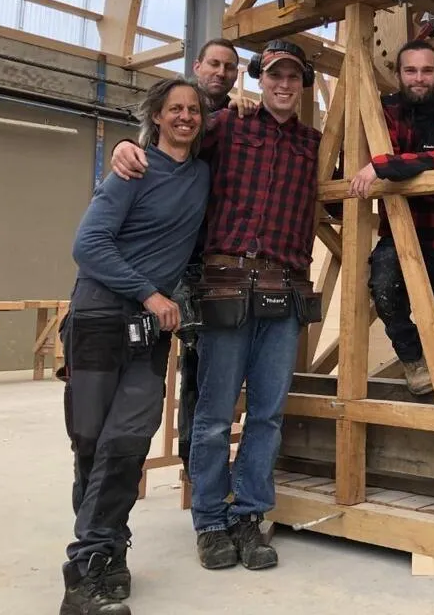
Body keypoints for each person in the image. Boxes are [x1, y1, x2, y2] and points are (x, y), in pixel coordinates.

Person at [111, 41, 321, 572]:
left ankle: (250, 516)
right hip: (226, 288)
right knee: (210, 416)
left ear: (303, 85)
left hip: (285, 289)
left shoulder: (315, 144)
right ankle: (209, 519)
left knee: (267, 415)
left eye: (293, 78)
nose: (283, 85)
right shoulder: (225, 128)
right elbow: (169, 148)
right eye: (274, 75)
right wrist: (126, 147)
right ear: (260, 78)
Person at [60, 78, 210, 615]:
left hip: (148, 331)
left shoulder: (201, 175)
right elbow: (88, 245)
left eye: (193, 109)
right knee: (90, 443)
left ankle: (92, 563)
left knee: (126, 442)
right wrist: (149, 292)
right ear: (158, 116)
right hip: (100, 318)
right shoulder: (133, 168)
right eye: (175, 109)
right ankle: (101, 557)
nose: (185, 117)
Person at [347, 40, 434, 395]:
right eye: (411, 71)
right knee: (384, 287)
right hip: (399, 231)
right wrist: (426, 172)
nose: (419, 78)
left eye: (427, 71)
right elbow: (365, 153)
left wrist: (384, 166)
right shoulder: (382, 113)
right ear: (399, 75)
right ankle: (412, 357)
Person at [175, 38, 240, 474]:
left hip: (217, 254)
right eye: (213, 64)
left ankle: (204, 463)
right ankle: (193, 461)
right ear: (197, 65)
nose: (220, 72)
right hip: (180, 257)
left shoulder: (238, 117)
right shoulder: (179, 112)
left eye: (228, 67)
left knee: (213, 365)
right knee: (198, 364)